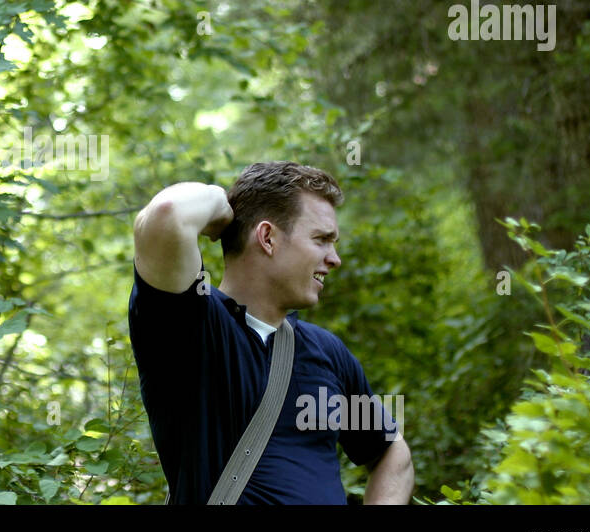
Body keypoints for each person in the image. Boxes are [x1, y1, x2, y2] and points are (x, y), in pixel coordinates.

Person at [128, 161, 414, 504]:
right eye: (322, 240)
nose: (335, 259)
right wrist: (222, 204)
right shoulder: (194, 322)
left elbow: (391, 452)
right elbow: (167, 213)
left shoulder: (326, 350)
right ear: (267, 238)